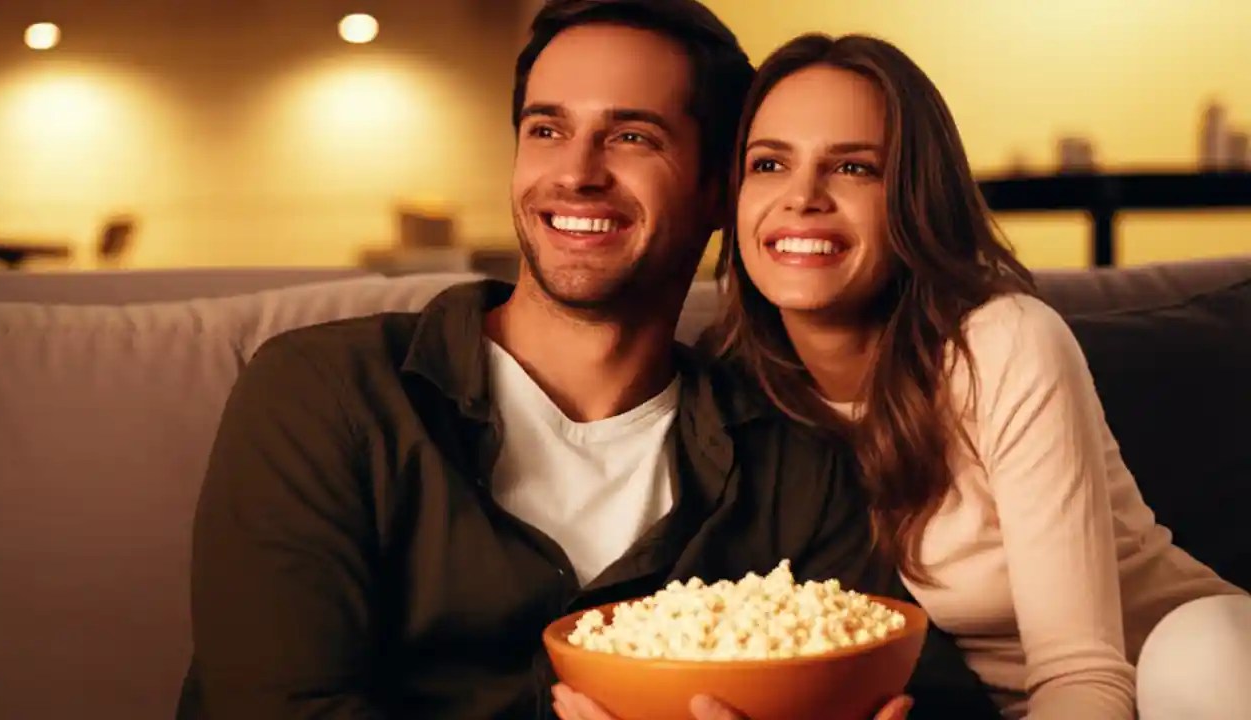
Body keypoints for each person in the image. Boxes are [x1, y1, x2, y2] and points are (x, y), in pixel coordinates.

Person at [178, 3, 1000, 719]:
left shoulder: (791, 457)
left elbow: (926, 695)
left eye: (631, 135)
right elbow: (279, 705)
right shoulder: (327, 394)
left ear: (724, 189)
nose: (574, 173)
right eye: (546, 129)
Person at [711, 31, 1251, 720]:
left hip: (1175, 681)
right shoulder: (733, 392)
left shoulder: (1003, 344)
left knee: (1197, 648)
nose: (803, 197)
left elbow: (1084, 674)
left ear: (913, 196)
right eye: (769, 163)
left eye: (853, 169)